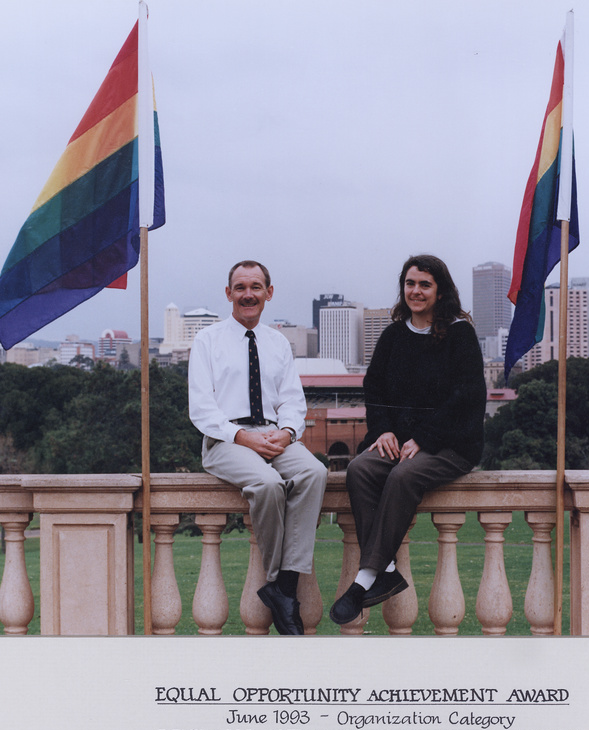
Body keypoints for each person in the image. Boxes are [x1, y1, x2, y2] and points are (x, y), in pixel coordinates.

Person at [330, 254, 487, 626]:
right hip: (399, 442)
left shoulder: (458, 334)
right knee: (361, 469)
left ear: (440, 290)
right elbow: (375, 387)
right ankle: (384, 568)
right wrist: (382, 430)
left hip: (451, 445)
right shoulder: (394, 335)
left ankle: (363, 581)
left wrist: (424, 438)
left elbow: (467, 396)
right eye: (410, 283)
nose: (416, 291)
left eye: (425, 284)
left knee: (402, 476)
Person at [188, 260, 327, 635]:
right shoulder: (208, 341)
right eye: (240, 287)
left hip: (272, 435)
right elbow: (201, 408)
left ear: (268, 292)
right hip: (226, 439)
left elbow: (293, 401)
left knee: (315, 472)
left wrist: (287, 432)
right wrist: (243, 437)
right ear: (228, 293)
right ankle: (278, 582)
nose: (247, 294)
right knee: (267, 485)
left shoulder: (277, 342)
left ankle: (284, 588)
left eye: (255, 287)